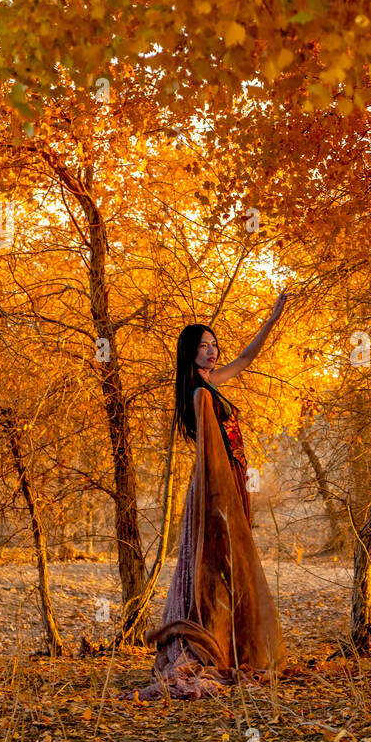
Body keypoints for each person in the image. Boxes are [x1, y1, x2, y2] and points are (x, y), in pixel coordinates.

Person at [120, 294, 287, 700]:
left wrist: (273, 317)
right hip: (215, 484)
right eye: (203, 347)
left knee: (225, 567)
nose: (212, 352)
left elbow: (246, 359)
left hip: (226, 478)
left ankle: (227, 641)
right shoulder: (200, 393)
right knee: (213, 564)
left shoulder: (210, 383)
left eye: (214, 345)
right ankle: (205, 644)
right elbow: (210, 450)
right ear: (189, 354)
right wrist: (223, 496)